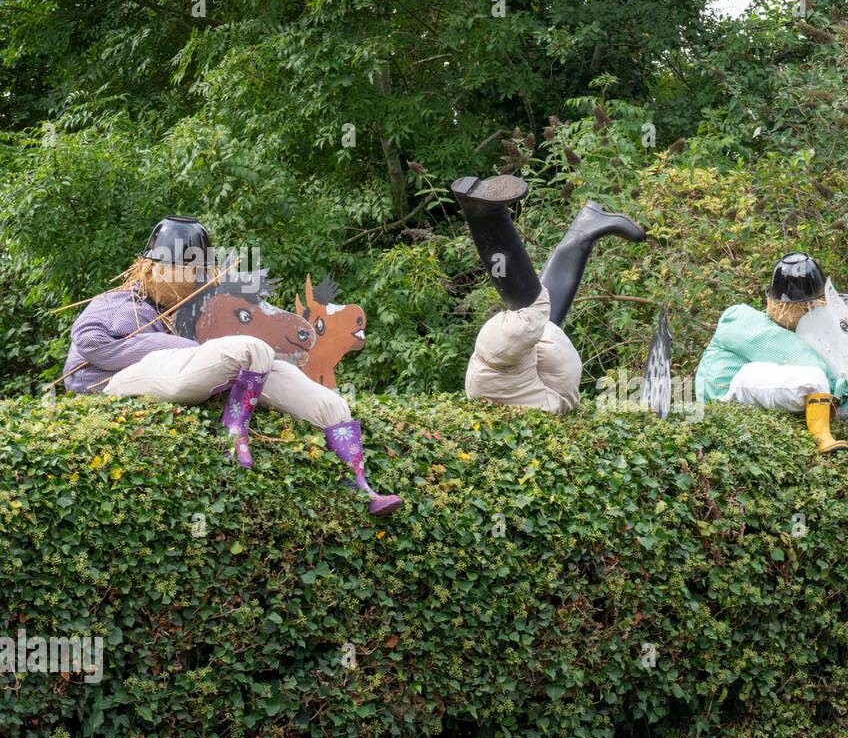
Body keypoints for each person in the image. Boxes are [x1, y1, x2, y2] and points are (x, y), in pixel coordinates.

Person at [60, 215, 402, 513]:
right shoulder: (121, 302)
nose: (193, 280)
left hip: (169, 369)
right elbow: (89, 340)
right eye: (186, 271)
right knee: (249, 348)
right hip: (113, 383)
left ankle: (360, 484)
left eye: (198, 273)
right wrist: (170, 348)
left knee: (317, 393)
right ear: (153, 268)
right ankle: (233, 432)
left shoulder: (178, 316)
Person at [695, 253, 848, 454]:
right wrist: (846, 377)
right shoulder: (740, 318)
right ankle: (823, 439)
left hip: (785, 393)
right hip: (724, 396)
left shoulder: (808, 335)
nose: (811, 312)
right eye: (807, 307)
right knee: (813, 377)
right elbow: (789, 353)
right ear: (779, 305)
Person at [452, 174, 645, 412]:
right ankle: (583, 230)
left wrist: (483, 216)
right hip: (533, 382)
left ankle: (486, 214)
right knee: (541, 314)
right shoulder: (509, 365)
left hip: (514, 380)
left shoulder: (500, 364)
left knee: (534, 311)